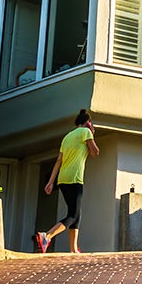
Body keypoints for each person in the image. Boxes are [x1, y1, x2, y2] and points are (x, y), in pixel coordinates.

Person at [36, 108, 99, 253]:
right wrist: (92, 135)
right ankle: (47, 236)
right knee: (73, 215)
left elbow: (59, 160)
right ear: (88, 122)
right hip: (75, 178)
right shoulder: (86, 132)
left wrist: (51, 181)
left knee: (75, 213)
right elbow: (95, 152)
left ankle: (73, 249)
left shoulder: (67, 137)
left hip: (62, 179)